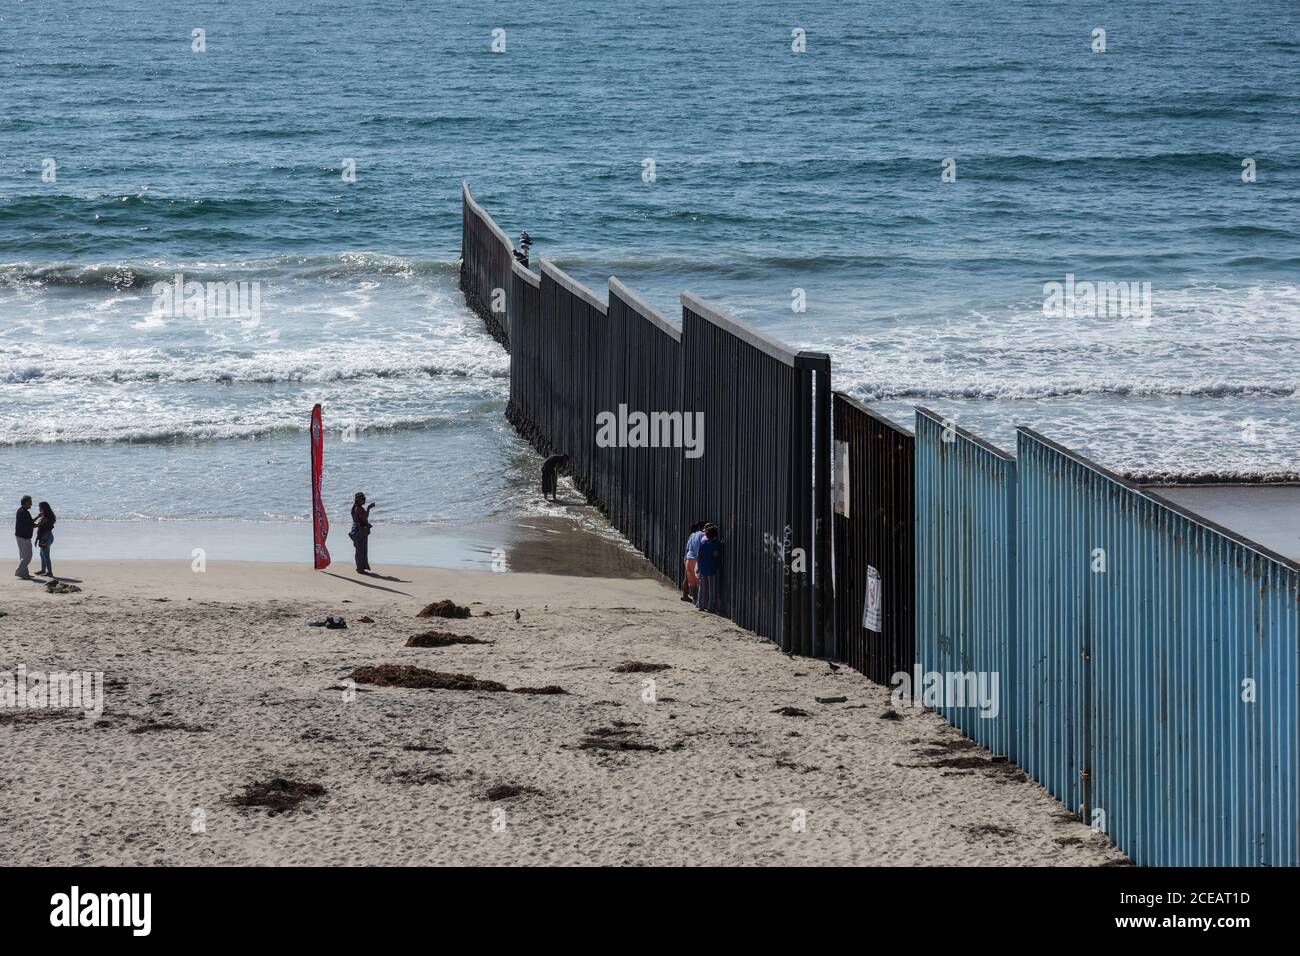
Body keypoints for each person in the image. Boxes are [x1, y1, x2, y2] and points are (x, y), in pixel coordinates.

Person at [695, 523, 722, 613]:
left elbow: (698, 556)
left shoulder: (703, 543)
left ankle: (702, 605)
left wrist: (699, 566)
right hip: (712, 568)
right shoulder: (717, 544)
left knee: (703, 587)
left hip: (703, 567)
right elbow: (716, 555)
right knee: (712, 588)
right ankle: (710, 607)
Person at [349, 492, 375, 573]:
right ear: (358, 500)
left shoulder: (354, 508)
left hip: (356, 531)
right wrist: (369, 508)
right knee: (361, 550)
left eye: (364, 498)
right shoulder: (359, 508)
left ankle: (360, 568)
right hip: (360, 531)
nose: (364, 500)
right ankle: (360, 568)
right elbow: (364, 518)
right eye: (362, 499)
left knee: (359, 550)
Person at [681, 521, 706, 602]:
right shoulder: (702, 535)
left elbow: (687, 548)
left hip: (688, 558)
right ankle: (699, 601)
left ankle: (693, 599)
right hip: (696, 559)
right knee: (699, 581)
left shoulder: (692, 535)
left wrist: (685, 558)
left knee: (690, 581)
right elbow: (702, 546)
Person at [34, 501, 56, 577]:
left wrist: (38, 517)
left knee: (45, 554)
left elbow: (36, 525)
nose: (39, 508)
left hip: (45, 537)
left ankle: (49, 572)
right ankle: (43, 570)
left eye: (39, 507)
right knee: (42, 554)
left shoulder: (45, 517)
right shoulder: (50, 516)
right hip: (48, 536)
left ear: (43, 508)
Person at [14, 495, 34, 579]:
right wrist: (41, 522)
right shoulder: (24, 512)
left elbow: (30, 522)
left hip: (20, 535)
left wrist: (38, 517)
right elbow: (32, 524)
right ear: (26, 503)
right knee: (28, 556)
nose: (31, 504)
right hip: (24, 536)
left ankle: (25, 573)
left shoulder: (21, 510)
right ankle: (19, 571)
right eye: (30, 502)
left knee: (23, 556)